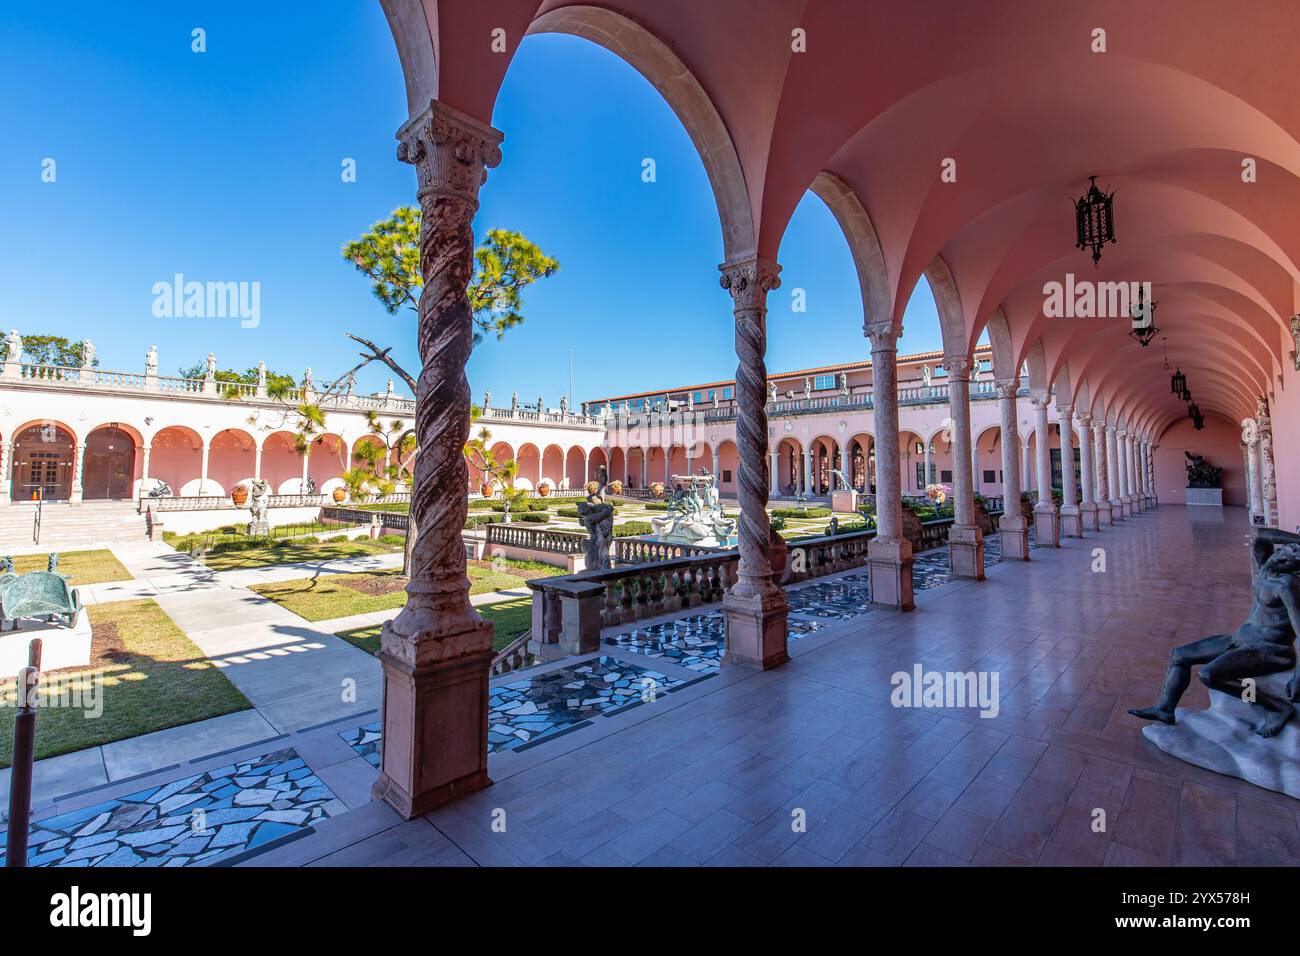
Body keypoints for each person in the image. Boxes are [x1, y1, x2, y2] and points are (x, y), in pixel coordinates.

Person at [1129, 536, 1300, 738]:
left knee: (1209, 676)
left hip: (1268, 650)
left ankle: (1275, 707)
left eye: (1288, 561)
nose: (1280, 559)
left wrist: (1298, 676)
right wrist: (1296, 541)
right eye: (1285, 551)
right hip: (1240, 639)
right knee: (1179, 656)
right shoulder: (1266, 567)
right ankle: (1165, 709)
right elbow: (1262, 536)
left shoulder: (1287, 586)